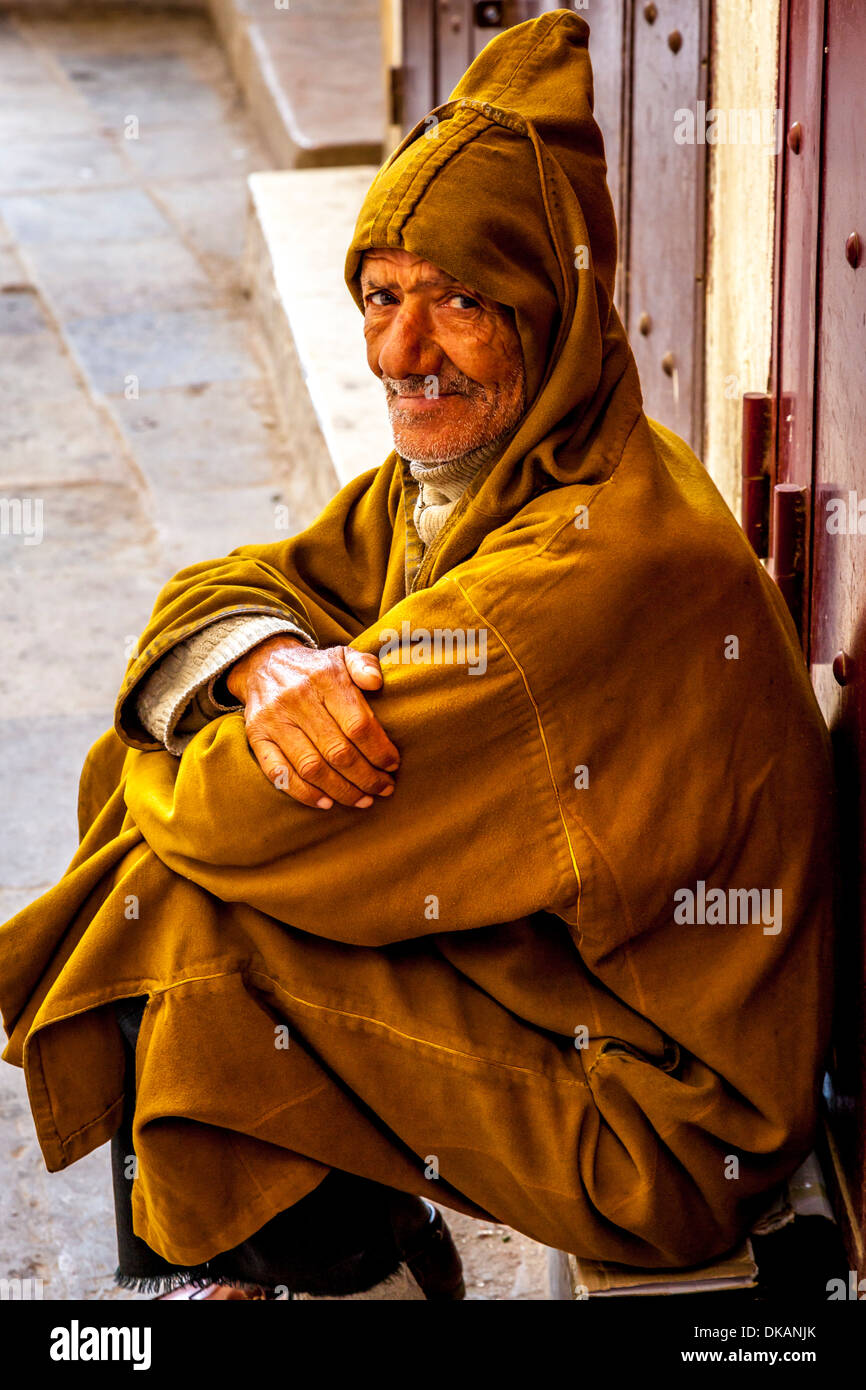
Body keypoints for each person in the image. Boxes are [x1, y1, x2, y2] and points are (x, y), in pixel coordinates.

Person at [0, 10, 836, 1301]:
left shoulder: (575, 571)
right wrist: (261, 661)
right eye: (383, 296)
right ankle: (334, 1262)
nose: (401, 354)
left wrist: (174, 739)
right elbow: (241, 583)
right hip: (570, 997)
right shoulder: (518, 462)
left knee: (175, 899)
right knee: (177, 811)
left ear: (552, 316)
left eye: (461, 304)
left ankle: (341, 1276)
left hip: (664, 1124)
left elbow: (230, 813)